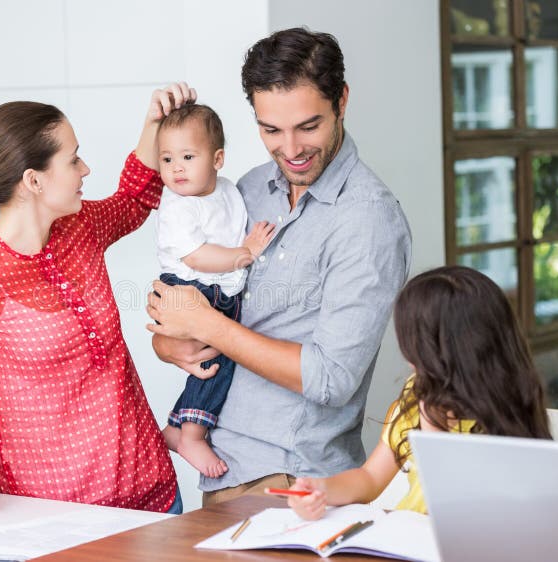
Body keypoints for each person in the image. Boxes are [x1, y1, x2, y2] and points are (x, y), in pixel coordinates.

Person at [0, 83, 199, 514]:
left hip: (153, 497)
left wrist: (153, 123)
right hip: (47, 519)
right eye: (73, 159)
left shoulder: (81, 227)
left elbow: (133, 200)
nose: (85, 169)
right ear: (33, 180)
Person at [146, 28, 412, 505]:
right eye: (271, 130)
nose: (290, 148)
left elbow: (331, 379)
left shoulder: (369, 219)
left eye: (308, 126)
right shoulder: (245, 190)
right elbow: (194, 307)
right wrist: (169, 341)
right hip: (224, 471)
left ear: (342, 101)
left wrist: (206, 323)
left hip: (295, 482)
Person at [287, 265, 553, 519]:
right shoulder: (417, 393)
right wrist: (322, 489)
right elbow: (369, 479)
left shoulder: (504, 414)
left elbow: (467, 512)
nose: (407, 355)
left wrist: (434, 434)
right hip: (407, 540)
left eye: (412, 342)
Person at [154, 104, 275, 479]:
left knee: (217, 363)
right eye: (167, 158)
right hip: (191, 287)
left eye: (188, 157)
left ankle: (180, 428)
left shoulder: (227, 190)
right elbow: (198, 255)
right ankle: (191, 432)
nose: (176, 168)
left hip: (217, 289)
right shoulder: (178, 206)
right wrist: (246, 253)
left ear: (217, 158)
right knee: (216, 362)